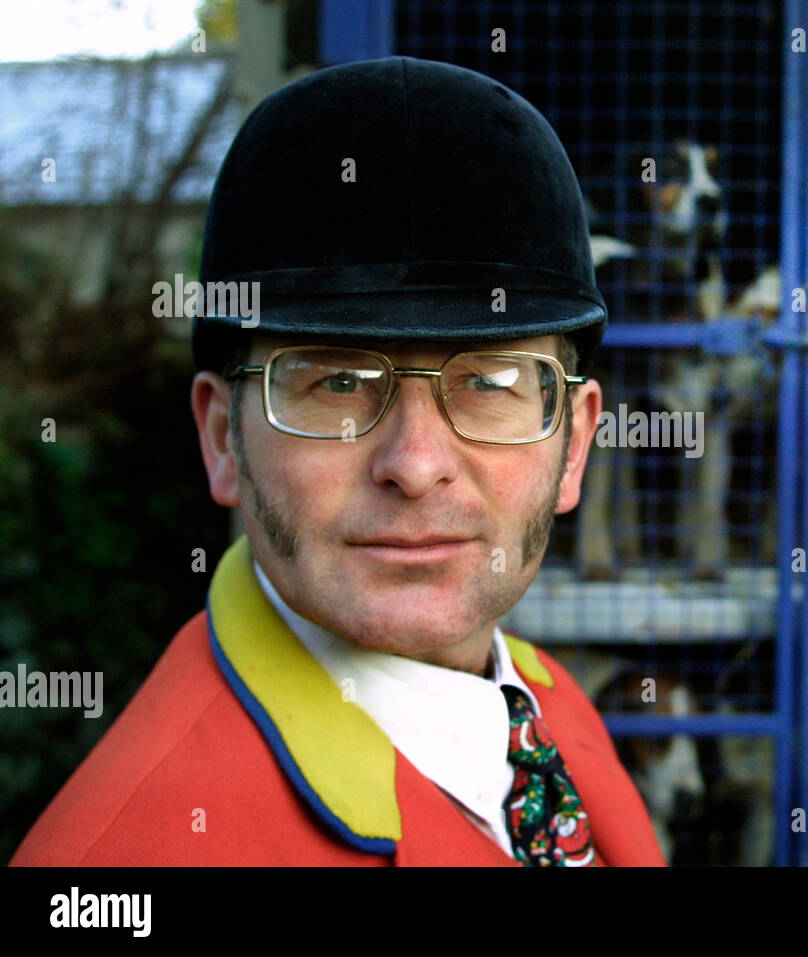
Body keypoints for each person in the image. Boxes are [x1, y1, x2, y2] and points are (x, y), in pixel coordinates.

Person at [10, 56, 665, 867]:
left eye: (491, 381)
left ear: (573, 443)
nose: (417, 463)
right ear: (223, 438)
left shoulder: (546, 703)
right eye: (338, 382)